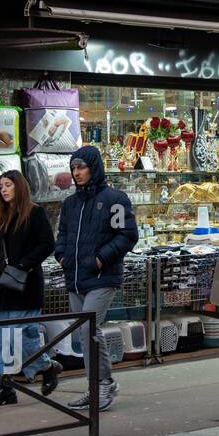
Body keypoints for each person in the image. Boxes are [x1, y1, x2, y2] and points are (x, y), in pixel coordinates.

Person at [55, 145, 137, 412]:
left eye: (81, 167)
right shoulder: (71, 204)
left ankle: (103, 384)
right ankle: (95, 387)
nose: (77, 173)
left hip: (103, 277)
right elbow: (63, 235)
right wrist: (62, 257)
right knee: (85, 332)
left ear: (94, 167)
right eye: (74, 168)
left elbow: (126, 235)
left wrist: (101, 258)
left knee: (90, 328)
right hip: (76, 278)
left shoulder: (114, 199)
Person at [0, 171, 62, 406]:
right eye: (0, 187)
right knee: (6, 338)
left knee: (15, 338)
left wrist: (23, 265)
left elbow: (47, 243)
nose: (3, 190)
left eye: (8, 185)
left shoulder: (34, 212)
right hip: (3, 286)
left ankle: (36, 372)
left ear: (19, 186)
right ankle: (9, 385)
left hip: (25, 285)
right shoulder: (2, 215)